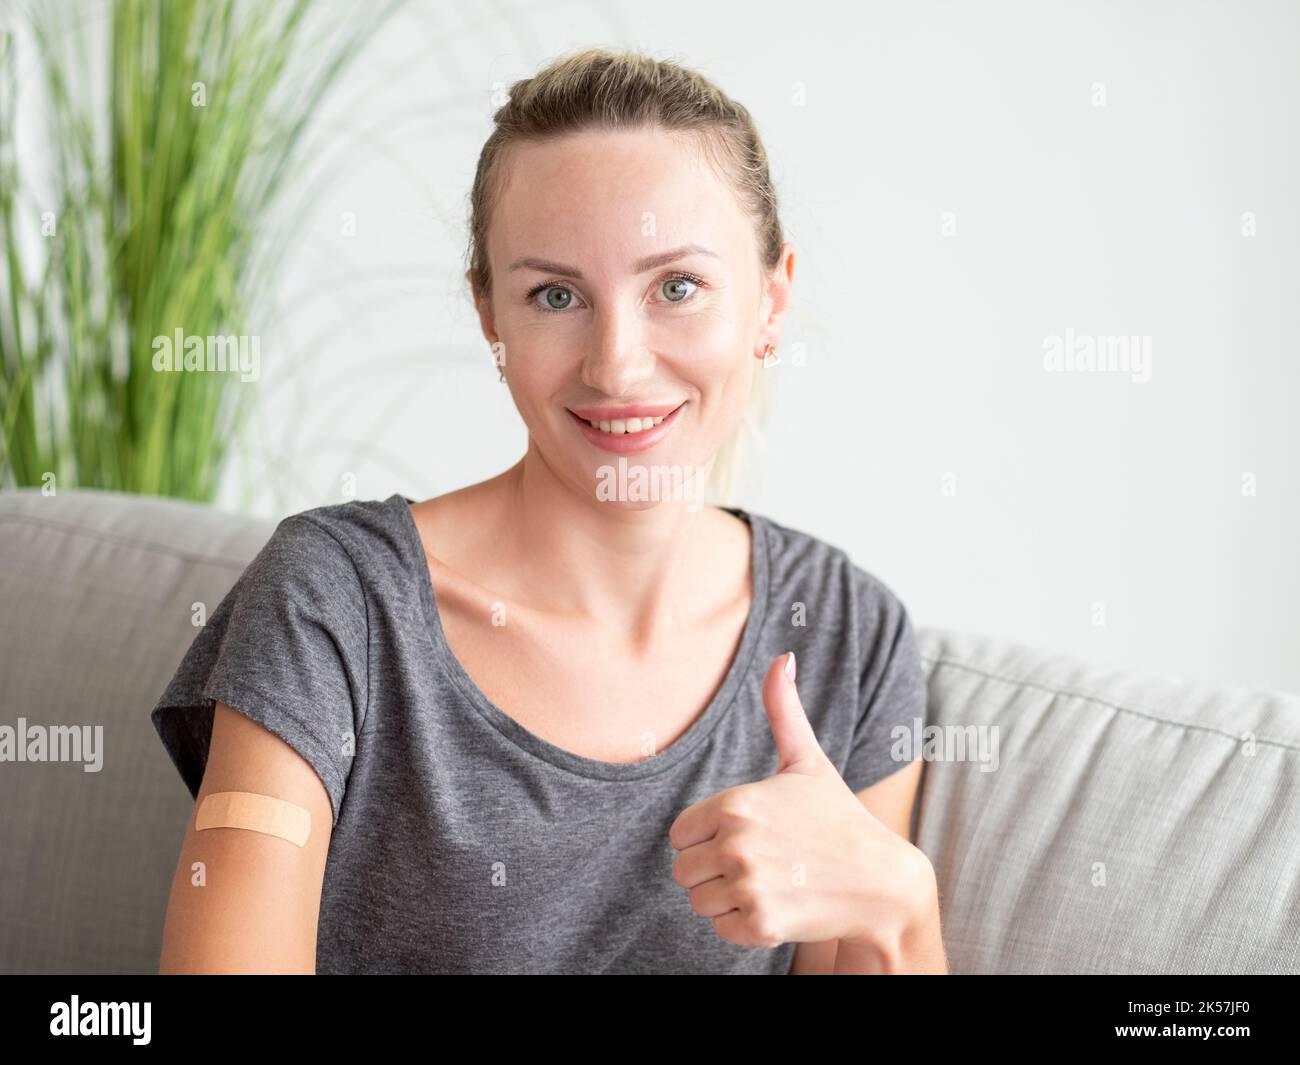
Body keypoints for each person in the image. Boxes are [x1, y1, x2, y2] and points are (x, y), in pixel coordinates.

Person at [151, 46, 946, 975]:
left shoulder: (850, 637)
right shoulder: (335, 600)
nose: (616, 364)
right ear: (490, 314)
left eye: (676, 288)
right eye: (555, 294)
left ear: (772, 300)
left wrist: (898, 902)